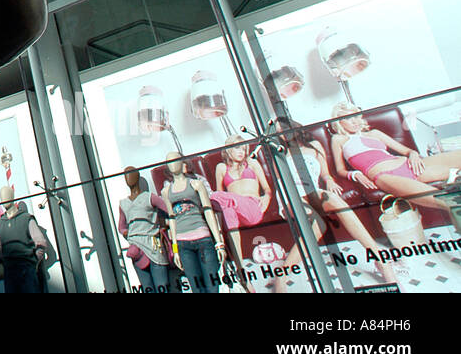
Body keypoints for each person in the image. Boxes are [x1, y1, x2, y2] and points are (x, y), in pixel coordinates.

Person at [271, 118, 396, 291]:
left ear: (294, 128)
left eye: (284, 129)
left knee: (337, 201)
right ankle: (282, 275)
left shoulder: (314, 146)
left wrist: (329, 181)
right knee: (318, 225)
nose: (283, 135)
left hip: (313, 191)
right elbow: (280, 179)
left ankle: (379, 259)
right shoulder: (280, 152)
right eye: (278, 133)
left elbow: (325, 174)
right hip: (292, 193)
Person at [329, 103, 461, 213]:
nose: (355, 121)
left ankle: (453, 176)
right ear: (339, 122)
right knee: (446, 202)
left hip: (407, 165)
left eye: (356, 116)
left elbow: (407, 151)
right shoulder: (338, 139)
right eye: (348, 118)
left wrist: (414, 155)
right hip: (384, 176)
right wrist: (355, 174)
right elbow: (340, 170)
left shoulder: (374, 133)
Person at [160, 151, 226, 292]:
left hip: (203, 239)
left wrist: (219, 242)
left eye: (174, 160)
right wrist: (175, 249)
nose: (172, 164)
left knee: (212, 286)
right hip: (183, 245)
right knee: (196, 288)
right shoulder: (166, 192)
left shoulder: (196, 184)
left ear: (182, 162)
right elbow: (172, 219)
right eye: (168, 161)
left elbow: (208, 211)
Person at [212, 134, 272, 281]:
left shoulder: (252, 163)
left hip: (253, 207)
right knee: (226, 208)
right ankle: (241, 267)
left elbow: (268, 189)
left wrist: (267, 197)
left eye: (244, 149)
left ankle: (238, 266)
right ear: (228, 150)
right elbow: (219, 196)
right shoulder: (221, 168)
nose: (241, 152)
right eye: (237, 148)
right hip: (236, 212)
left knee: (215, 197)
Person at [117, 167, 175, 293]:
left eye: (131, 174)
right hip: (137, 249)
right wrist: (128, 233)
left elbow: (168, 211)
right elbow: (121, 227)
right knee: (147, 287)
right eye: (126, 175)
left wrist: (165, 226)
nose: (129, 178)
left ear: (137, 176)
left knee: (162, 286)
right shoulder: (123, 203)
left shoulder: (149, 197)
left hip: (153, 245)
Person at [0, 187, 46, 292]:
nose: (4, 199)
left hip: (27, 270)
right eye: (2, 197)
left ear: (12, 197)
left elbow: (41, 243)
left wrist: (33, 262)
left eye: (6, 195)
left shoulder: (26, 218)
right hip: (10, 273)